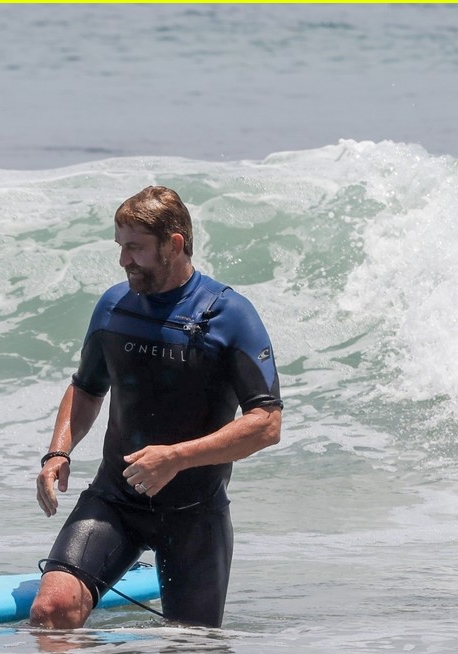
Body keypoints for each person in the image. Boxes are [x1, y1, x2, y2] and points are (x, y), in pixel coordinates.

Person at [31, 186, 282, 629]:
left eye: (135, 248)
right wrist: (58, 452)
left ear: (175, 244)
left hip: (194, 517)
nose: (123, 260)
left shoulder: (229, 315)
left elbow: (266, 424)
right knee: (52, 611)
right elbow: (87, 388)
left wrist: (176, 457)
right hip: (114, 501)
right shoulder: (114, 307)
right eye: (120, 247)